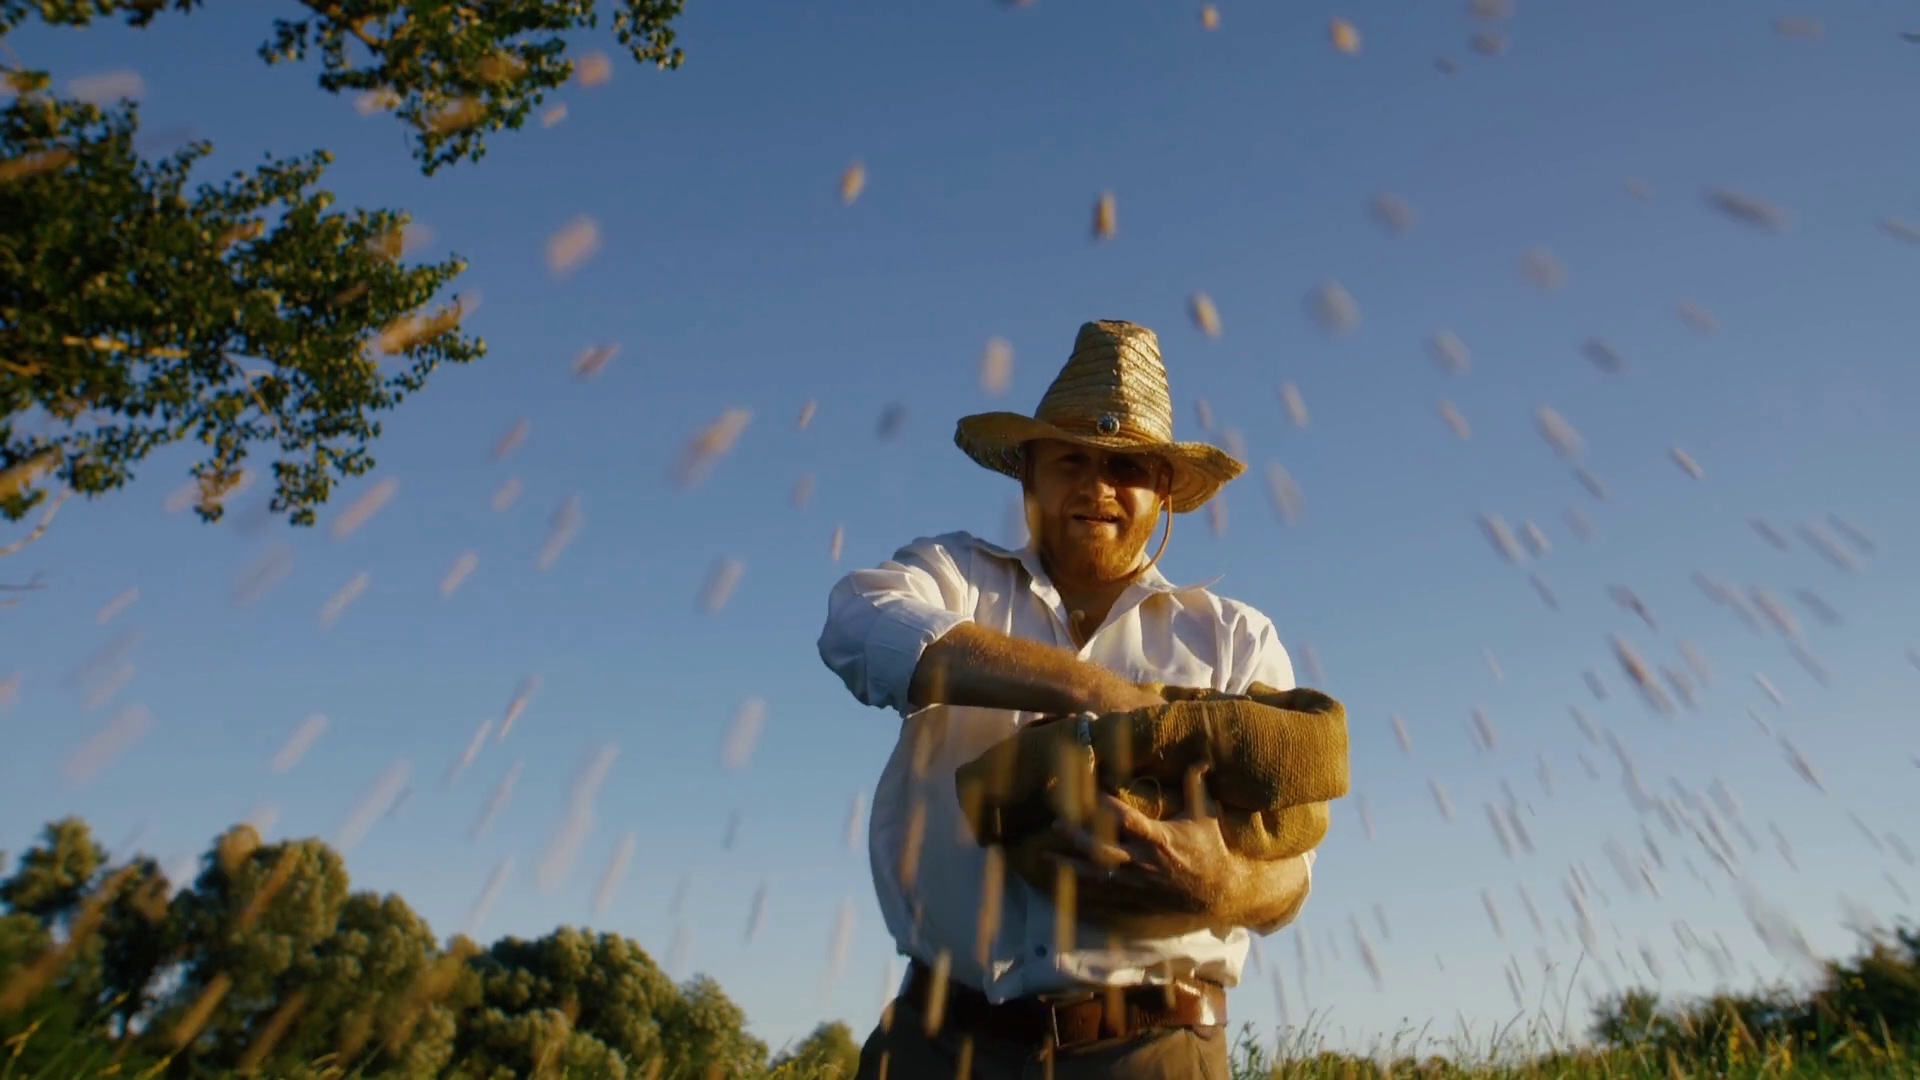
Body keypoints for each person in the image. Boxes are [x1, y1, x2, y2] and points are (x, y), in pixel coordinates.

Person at [818, 320, 1315, 1079]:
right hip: (942, 1040)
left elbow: (1290, 879)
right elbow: (856, 624)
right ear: (1028, 474)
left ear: (1166, 494)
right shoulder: (954, 576)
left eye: (1128, 468)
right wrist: (1094, 691)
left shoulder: (1234, 640)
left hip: (1155, 1048)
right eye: (1071, 459)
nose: (1097, 487)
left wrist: (1223, 882)